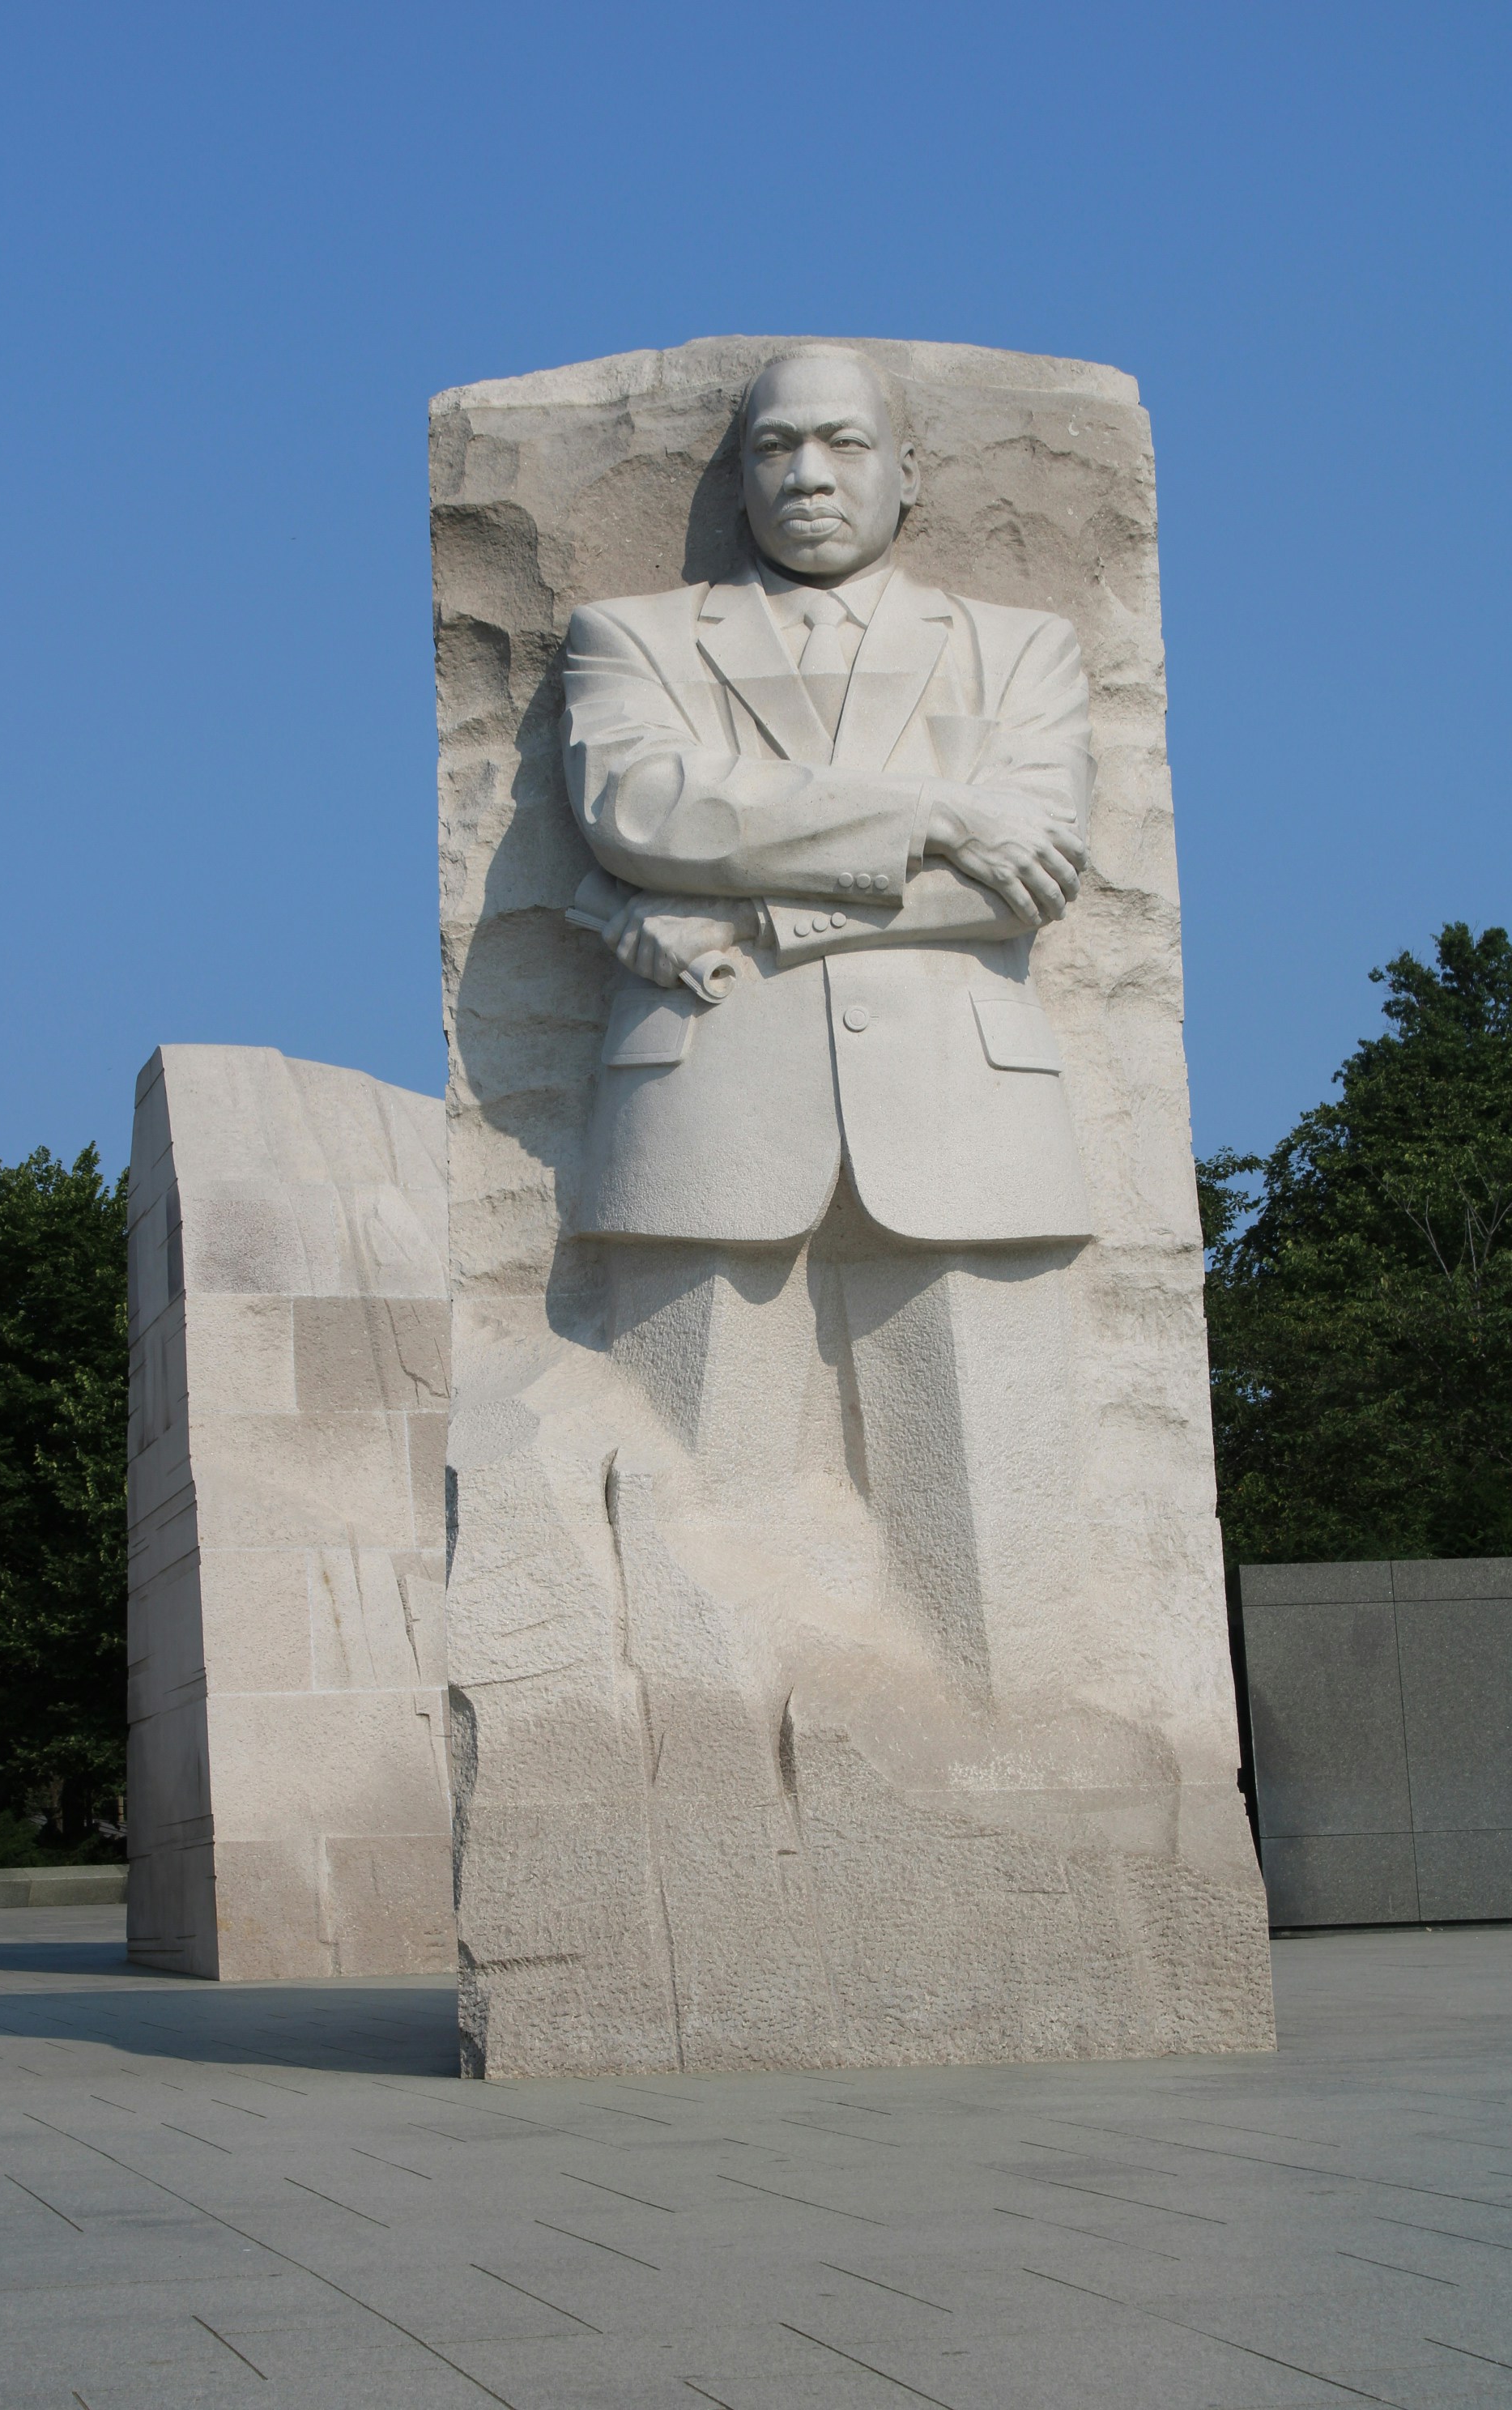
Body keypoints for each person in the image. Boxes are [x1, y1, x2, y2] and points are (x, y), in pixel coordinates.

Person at [559, 347, 1097, 1686]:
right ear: (738, 475)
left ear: (911, 473)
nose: (808, 476)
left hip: (967, 1122)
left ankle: (1014, 1790)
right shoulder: (629, 639)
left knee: (996, 1557)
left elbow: (1022, 888)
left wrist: (746, 914)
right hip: (707, 1114)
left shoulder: (1021, 648)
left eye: (847, 445)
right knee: (693, 1519)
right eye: (776, 447)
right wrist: (932, 811)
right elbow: (647, 812)